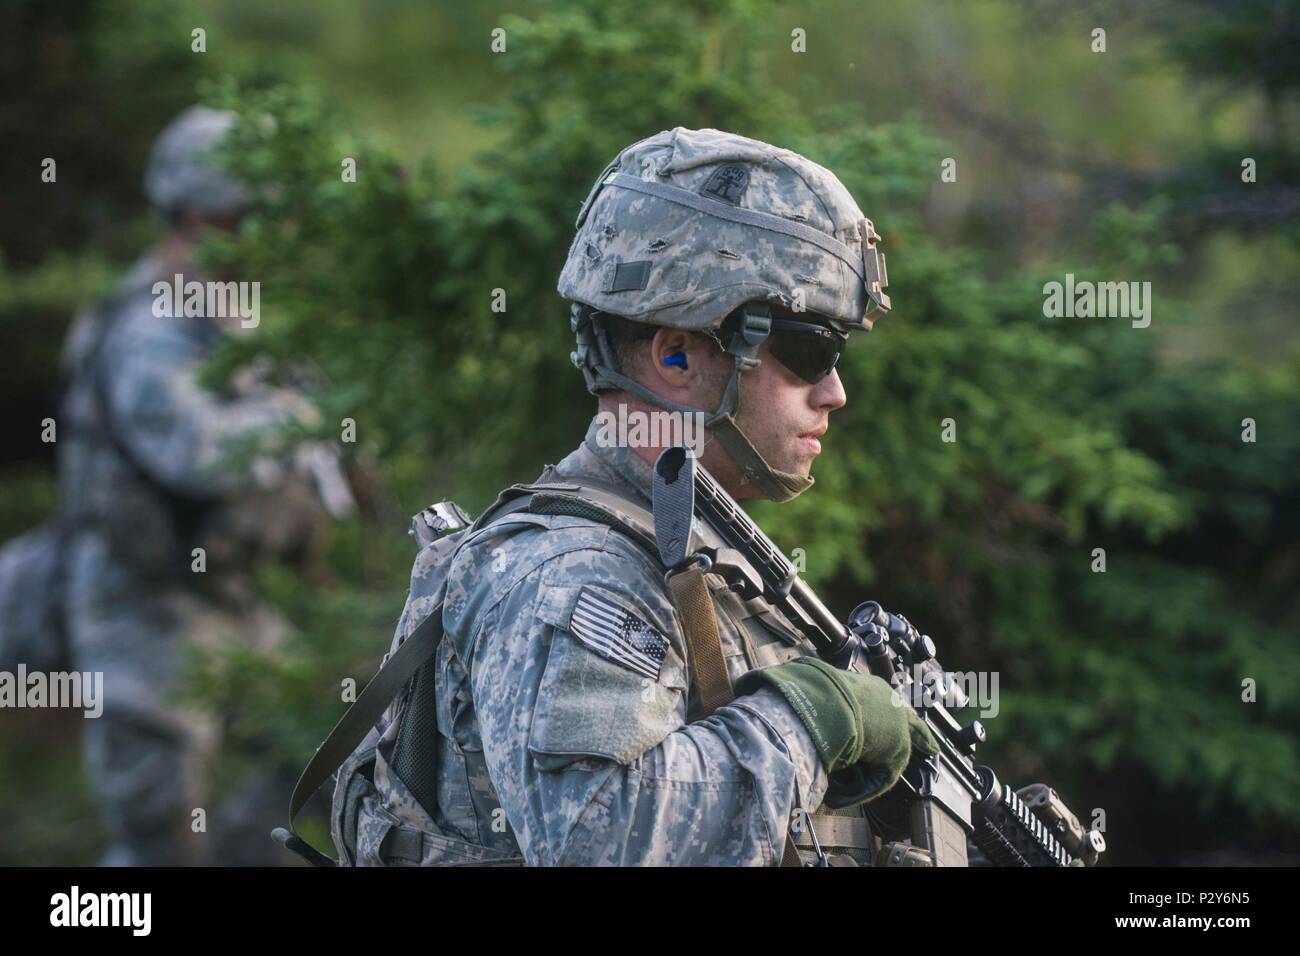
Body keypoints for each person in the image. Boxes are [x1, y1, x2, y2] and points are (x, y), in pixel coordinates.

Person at [337, 127, 935, 866]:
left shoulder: (689, 552)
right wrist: (808, 720)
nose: (834, 392)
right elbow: (599, 836)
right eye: (809, 348)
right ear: (677, 355)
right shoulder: (577, 572)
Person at [57, 105, 346, 866]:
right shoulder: (149, 329)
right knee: (158, 836)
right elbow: (201, 454)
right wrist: (307, 414)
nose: (272, 235)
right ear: (199, 214)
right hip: (144, 606)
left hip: (234, 598)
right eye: (254, 215)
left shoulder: (232, 313)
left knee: (329, 748)